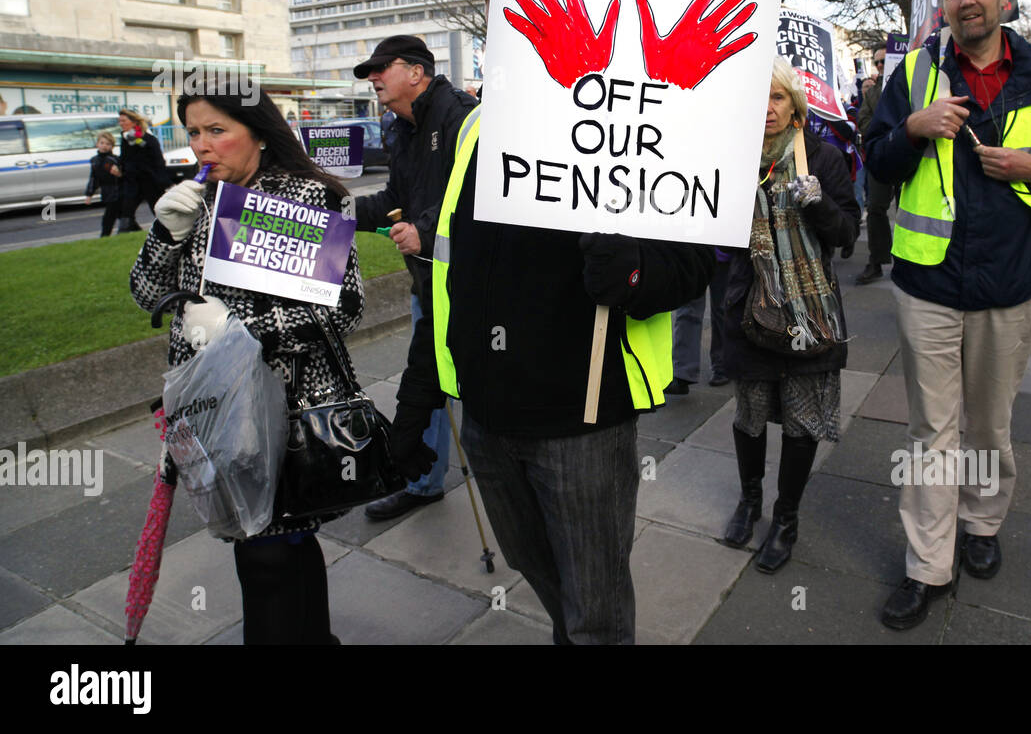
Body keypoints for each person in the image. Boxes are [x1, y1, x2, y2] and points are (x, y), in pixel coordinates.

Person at [426, 108, 714, 644]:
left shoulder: (639, 118)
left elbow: (695, 261)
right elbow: (453, 257)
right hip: (486, 414)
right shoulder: (476, 124)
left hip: (582, 421)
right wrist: (425, 388)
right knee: (536, 568)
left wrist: (633, 271)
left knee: (595, 608)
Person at [864, 0, 1031, 630]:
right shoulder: (916, 71)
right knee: (934, 431)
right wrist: (911, 130)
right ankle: (928, 566)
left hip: (1009, 280)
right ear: (944, 5)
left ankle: (982, 524)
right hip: (928, 283)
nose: (966, 0)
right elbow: (876, 156)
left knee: (989, 423)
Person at [129, 84, 368, 644]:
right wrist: (166, 235)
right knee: (270, 546)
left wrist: (235, 336)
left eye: (217, 130)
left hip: (279, 413)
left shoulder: (303, 198)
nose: (202, 145)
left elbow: (346, 307)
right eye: (192, 132)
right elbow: (145, 295)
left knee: (269, 553)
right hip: (212, 411)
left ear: (258, 133)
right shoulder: (198, 198)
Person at [718, 56, 859, 572]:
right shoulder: (733, 159)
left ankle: (785, 518)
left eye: (776, 97)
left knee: (800, 424)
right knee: (751, 416)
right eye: (758, 99)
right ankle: (749, 501)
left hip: (809, 314)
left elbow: (846, 235)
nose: (767, 109)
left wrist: (818, 204)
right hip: (750, 311)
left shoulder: (821, 156)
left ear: (793, 103)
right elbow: (717, 237)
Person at [349, 35, 477, 521]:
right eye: (369, 71)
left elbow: (475, 197)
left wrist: (424, 231)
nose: (373, 77)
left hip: (470, 284)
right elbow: (393, 201)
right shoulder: (398, 129)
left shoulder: (462, 115)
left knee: (470, 379)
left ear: (417, 72)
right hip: (427, 282)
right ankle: (423, 482)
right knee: (426, 378)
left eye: (382, 67)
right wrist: (335, 208)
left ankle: (506, 472)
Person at [664, 250, 731, 394]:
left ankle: (722, 365)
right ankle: (682, 372)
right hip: (697, 249)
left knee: (722, 310)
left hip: (723, 249)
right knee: (689, 307)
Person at [855, 46, 893, 284]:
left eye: (884, 61)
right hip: (882, 156)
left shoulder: (910, 83)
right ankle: (877, 259)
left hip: (912, 154)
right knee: (876, 208)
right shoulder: (873, 93)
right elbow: (863, 120)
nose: (880, 66)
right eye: (876, 63)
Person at [117, 108, 172, 233]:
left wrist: (163, 181)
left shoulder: (148, 139)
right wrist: (118, 166)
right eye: (119, 121)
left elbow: (158, 162)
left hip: (150, 181)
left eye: (123, 120)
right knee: (126, 210)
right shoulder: (125, 139)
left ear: (134, 122)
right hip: (132, 181)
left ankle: (169, 232)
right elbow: (124, 158)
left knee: (158, 210)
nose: (121, 123)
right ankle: (125, 233)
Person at [84, 130, 123, 237]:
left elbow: (122, 175)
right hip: (106, 192)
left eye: (108, 144)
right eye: (102, 143)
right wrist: (89, 194)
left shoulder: (114, 160)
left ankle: (104, 235)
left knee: (109, 216)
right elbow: (94, 178)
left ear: (112, 146)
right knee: (122, 215)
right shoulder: (95, 161)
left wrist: (119, 173)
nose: (104, 146)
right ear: (97, 144)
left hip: (116, 192)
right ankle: (133, 228)